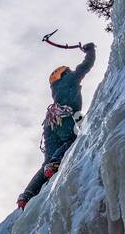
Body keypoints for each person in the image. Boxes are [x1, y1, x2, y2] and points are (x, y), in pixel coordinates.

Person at [17, 42, 96, 209]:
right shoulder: (70, 79)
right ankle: (54, 164)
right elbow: (86, 66)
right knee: (72, 139)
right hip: (65, 117)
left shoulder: (56, 90)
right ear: (64, 73)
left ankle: (27, 194)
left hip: (51, 121)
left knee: (47, 160)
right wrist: (90, 50)